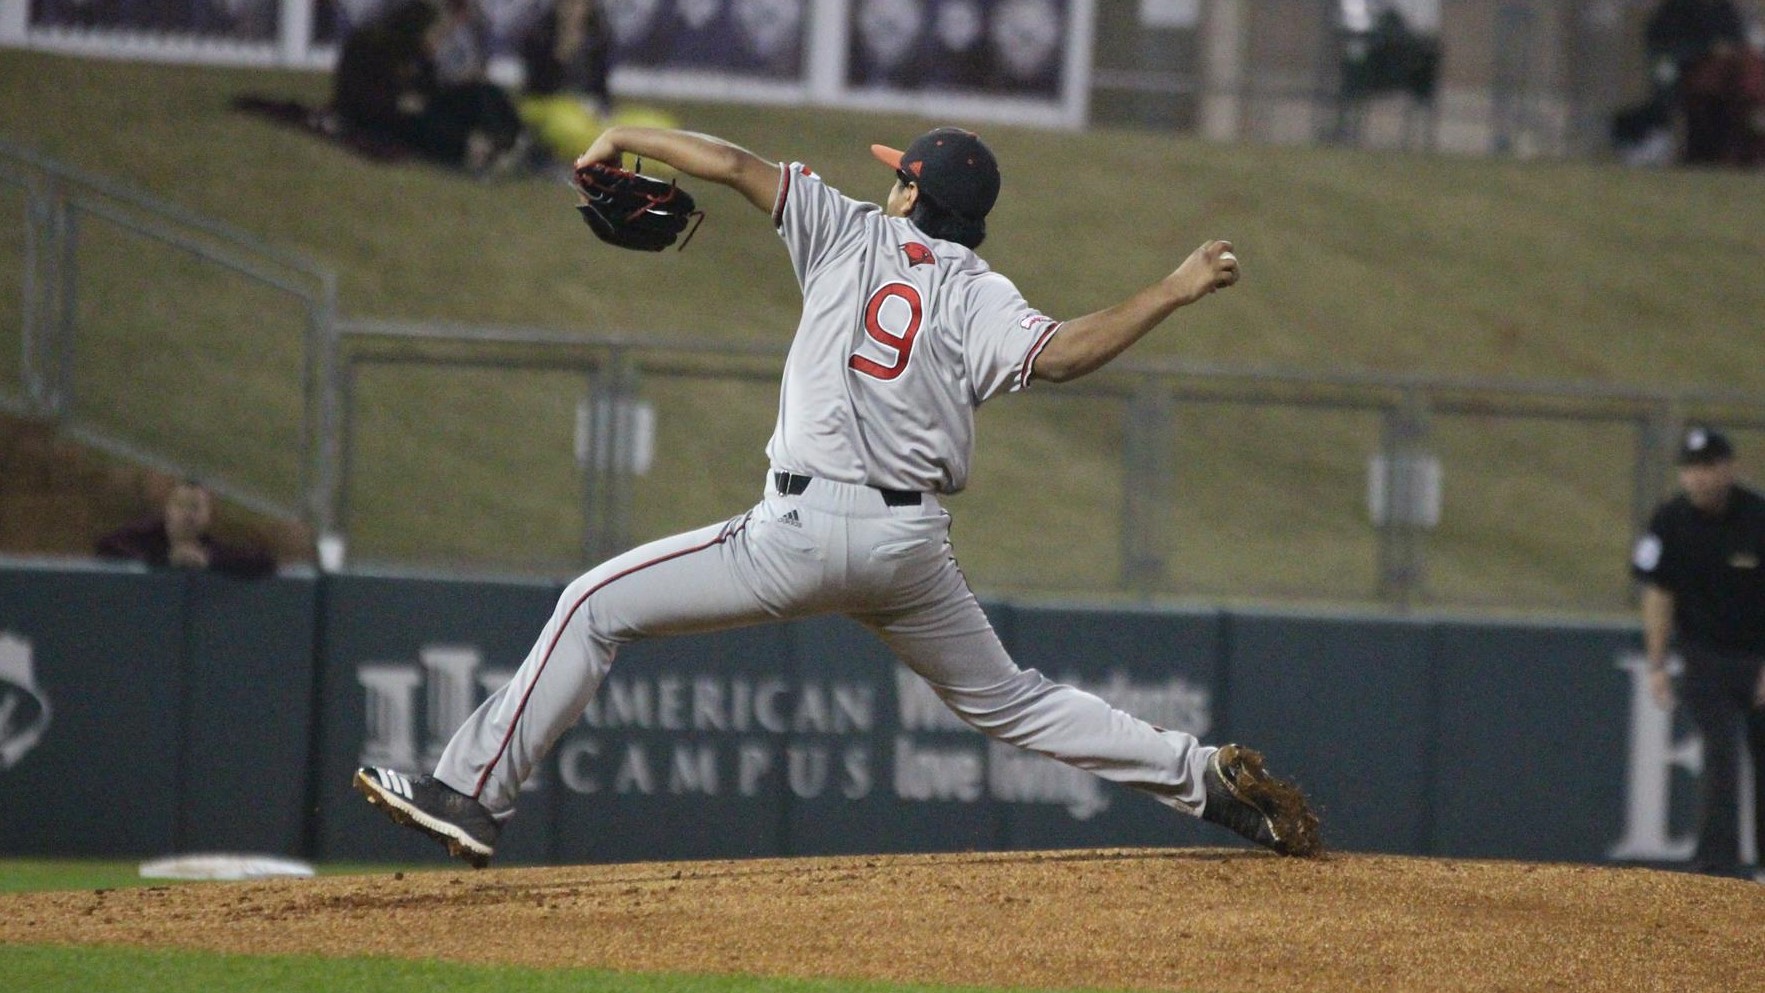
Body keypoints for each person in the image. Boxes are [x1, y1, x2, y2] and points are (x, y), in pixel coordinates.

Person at [354, 125, 1323, 866]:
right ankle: (1202, 781)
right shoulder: (981, 290)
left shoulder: (844, 229)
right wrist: (1171, 289)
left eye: (897, 172)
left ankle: (468, 792)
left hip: (802, 530)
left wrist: (627, 137)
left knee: (592, 606)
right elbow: (1062, 355)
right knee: (1012, 702)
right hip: (909, 550)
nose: (884, 181)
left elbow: (731, 165)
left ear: (910, 193)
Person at [1632, 425, 1765, 877]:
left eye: (1709, 466)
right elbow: (1658, 593)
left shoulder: (1757, 517)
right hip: (1703, 657)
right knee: (1720, 751)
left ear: (1729, 467)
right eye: (1691, 469)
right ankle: (1718, 867)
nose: (1700, 478)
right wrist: (1655, 663)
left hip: (1756, 658)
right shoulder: (1669, 522)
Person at [329, 0, 526, 175]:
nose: (439, 35)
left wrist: (459, 84)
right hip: (387, 114)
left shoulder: (415, 54)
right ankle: (471, 152)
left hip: (416, 103)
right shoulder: (368, 48)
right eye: (433, 29)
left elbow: (429, 89)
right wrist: (397, 101)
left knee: (482, 92)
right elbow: (357, 96)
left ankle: (513, 139)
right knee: (425, 118)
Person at [96, 478, 277, 580]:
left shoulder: (210, 548)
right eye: (181, 505)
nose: (188, 513)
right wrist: (165, 559)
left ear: (208, 516)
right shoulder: (144, 534)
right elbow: (107, 545)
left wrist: (207, 560)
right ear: (168, 509)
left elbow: (264, 562)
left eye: (196, 507)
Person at [516, 0, 614, 167]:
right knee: (571, 128)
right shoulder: (539, 34)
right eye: (568, 4)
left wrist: (603, 108)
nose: (573, 10)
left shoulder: (596, 37)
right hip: (551, 105)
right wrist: (560, 54)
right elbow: (535, 86)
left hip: (588, 108)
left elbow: (600, 85)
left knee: (639, 125)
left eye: (579, 5)